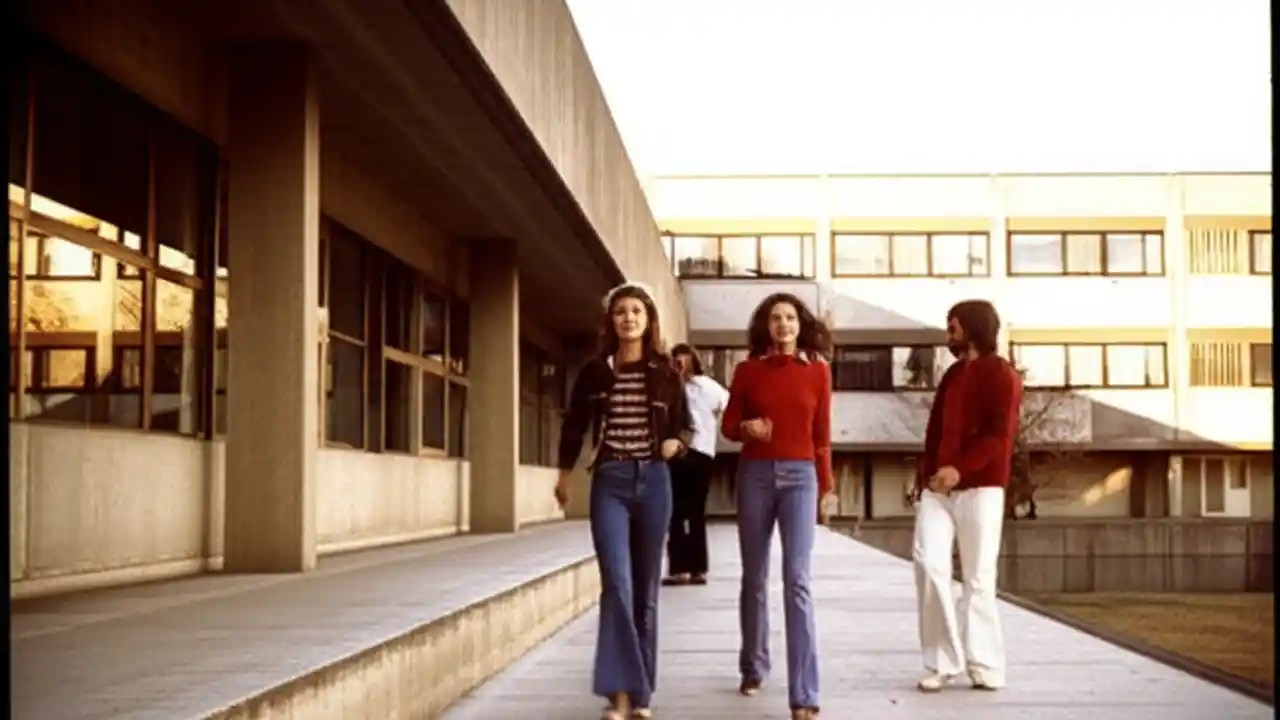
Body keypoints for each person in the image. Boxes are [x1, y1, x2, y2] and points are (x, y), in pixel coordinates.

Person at [555, 281, 690, 720]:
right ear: (611, 321)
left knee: (646, 593)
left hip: (654, 482)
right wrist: (563, 476)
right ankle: (618, 695)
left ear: (648, 319)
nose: (628, 318)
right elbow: (574, 425)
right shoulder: (596, 371)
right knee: (617, 584)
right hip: (610, 481)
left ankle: (642, 696)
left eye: (636, 311)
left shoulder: (667, 373)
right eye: (620, 311)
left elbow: (684, 427)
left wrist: (675, 444)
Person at [721, 292, 834, 720]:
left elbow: (822, 435)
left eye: (790, 317)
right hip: (755, 477)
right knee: (754, 575)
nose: (783, 325)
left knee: (798, 581)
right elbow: (730, 424)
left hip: (801, 479)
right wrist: (747, 427)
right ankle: (753, 665)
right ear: (766, 327)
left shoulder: (819, 373)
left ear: (799, 325)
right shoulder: (748, 371)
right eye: (775, 318)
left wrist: (826, 487)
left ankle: (804, 694)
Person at [912, 299, 1022, 693]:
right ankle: (942, 661)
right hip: (937, 492)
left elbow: (999, 437)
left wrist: (960, 468)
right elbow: (934, 430)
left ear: (974, 327)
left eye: (953, 325)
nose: (949, 333)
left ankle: (985, 665)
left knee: (978, 579)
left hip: (981, 488)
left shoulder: (1003, 375)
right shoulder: (952, 375)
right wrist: (927, 474)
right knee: (928, 565)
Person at [662, 343, 729, 587]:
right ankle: (684, 568)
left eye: (683, 358)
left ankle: (695, 568)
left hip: (698, 452)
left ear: (692, 360)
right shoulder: (670, 386)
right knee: (679, 511)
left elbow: (729, 406)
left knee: (693, 511)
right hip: (681, 452)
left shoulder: (706, 386)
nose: (680, 362)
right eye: (676, 358)